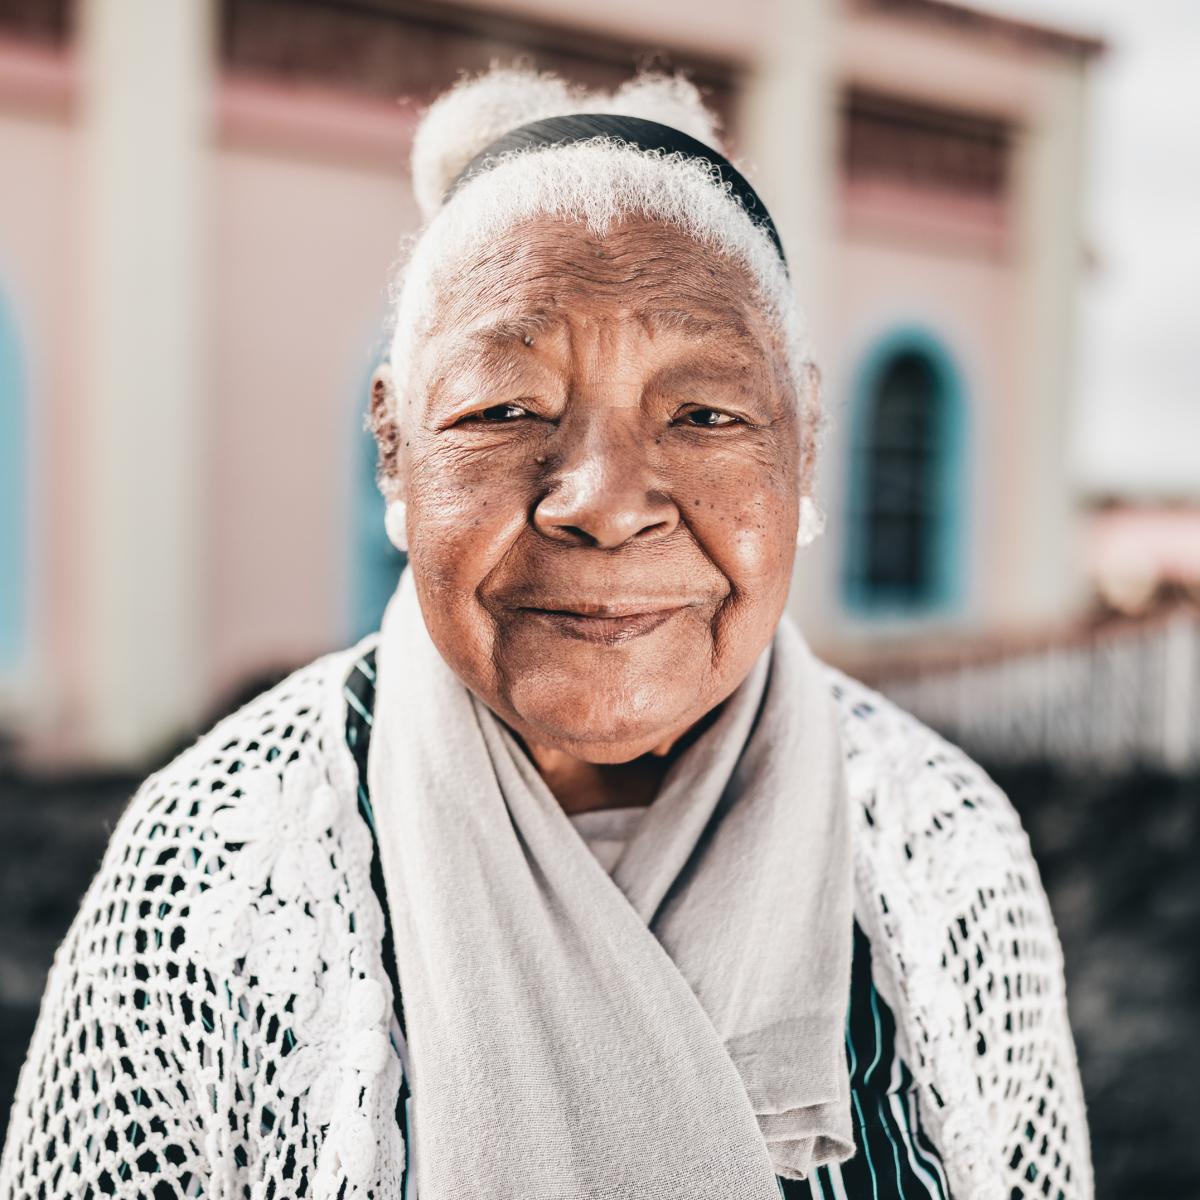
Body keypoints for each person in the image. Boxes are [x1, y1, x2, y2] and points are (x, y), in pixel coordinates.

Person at [0, 67, 1091, 1200]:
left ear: (803, 443)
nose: (605, 504)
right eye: (505, 409)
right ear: (394, 445)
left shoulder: (942, 845)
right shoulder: (215, 862)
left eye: (704, 413)